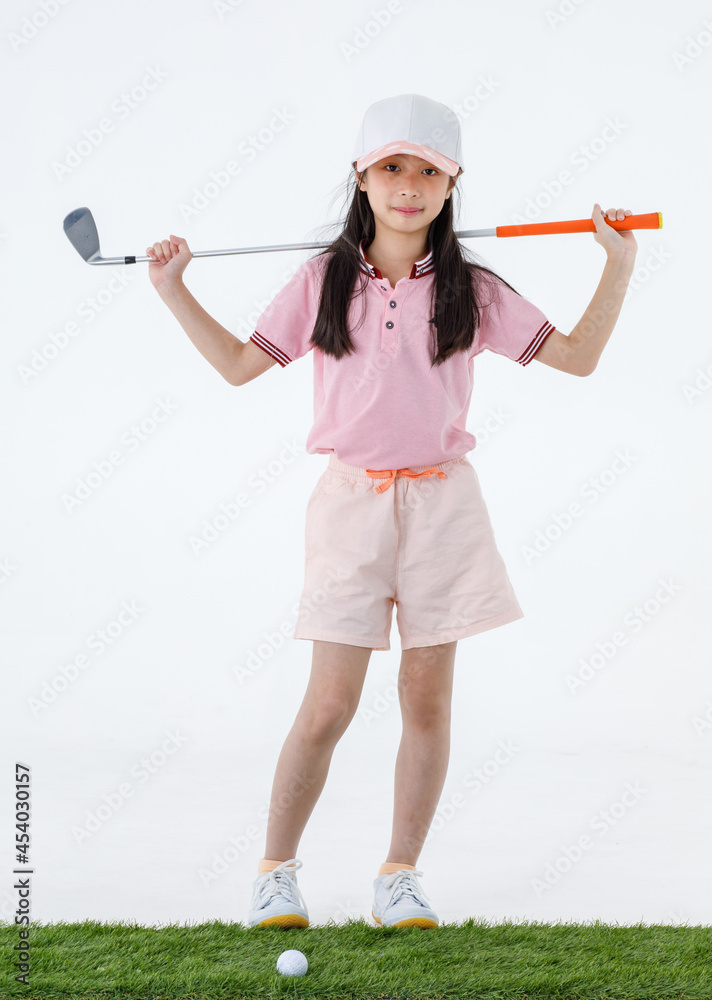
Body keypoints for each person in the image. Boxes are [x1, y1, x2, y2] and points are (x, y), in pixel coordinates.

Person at [146, 93, 638, 930]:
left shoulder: (472, 289)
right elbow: (237, 366)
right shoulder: (321, 281)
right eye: (391, 168)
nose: (408, 185)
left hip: (445, 507)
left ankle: (399, 874)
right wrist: (170, 289)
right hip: (351, 506)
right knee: (330, 703)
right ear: (362, 177)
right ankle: (275, 870)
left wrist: (616, 263)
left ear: (452, 186)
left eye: (427, 171)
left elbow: (580, 360)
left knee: (427, 699)